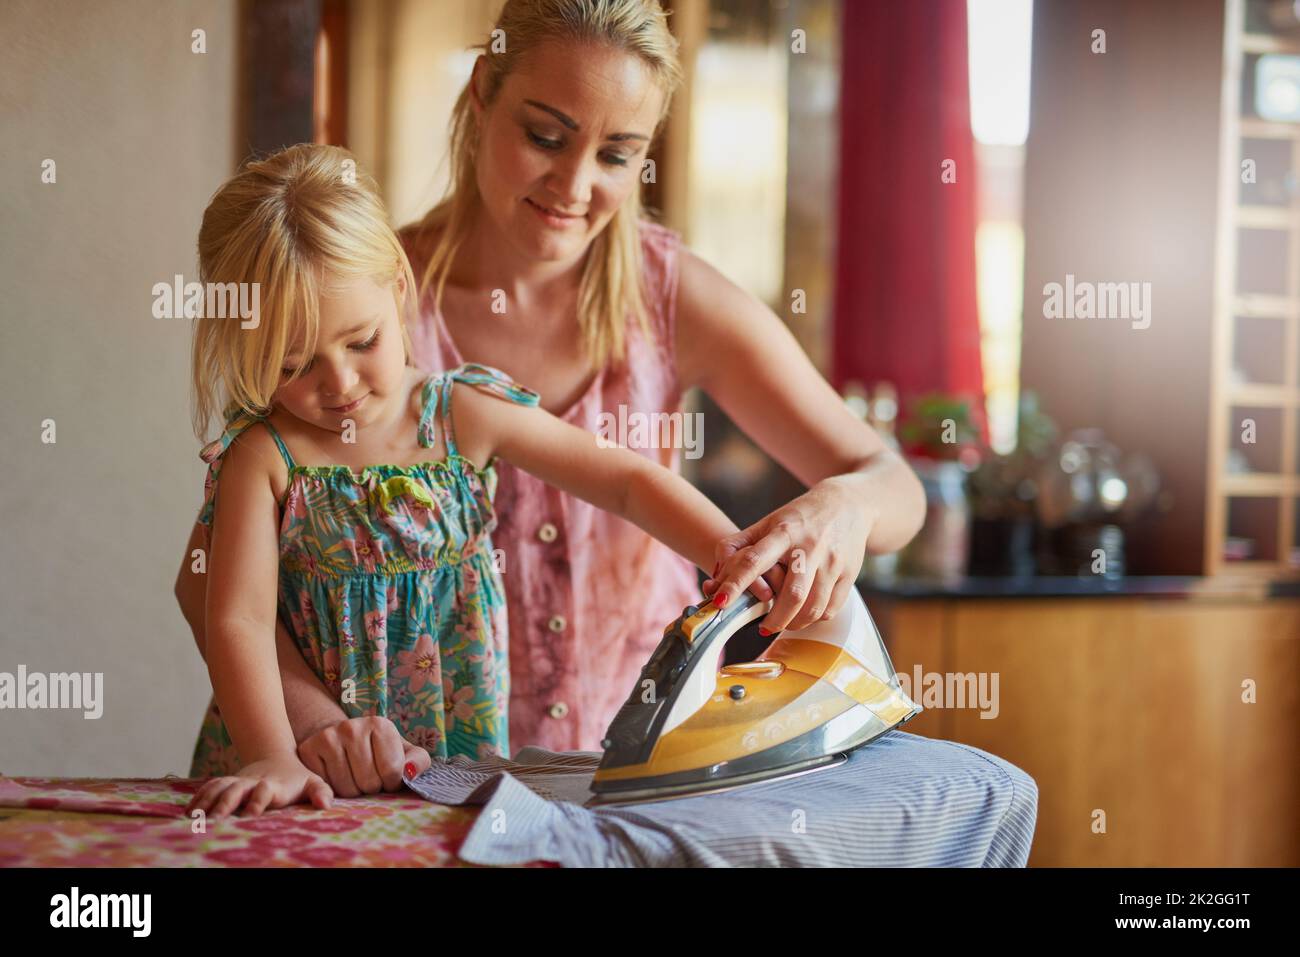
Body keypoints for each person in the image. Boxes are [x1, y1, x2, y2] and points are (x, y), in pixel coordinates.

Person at [174, 0, 924, 797]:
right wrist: (317, 728)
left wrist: (837, 508)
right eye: (545, 135)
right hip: (409, 778)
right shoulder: (355, 301)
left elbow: (891, 486)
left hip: (628, 775)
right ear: (483, 89)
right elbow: (210, 586)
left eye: (617, 154)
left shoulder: (673, 300)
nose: (573, 185)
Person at [183, 142, 762, 818]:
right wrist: (273, 754)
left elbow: (626, 481)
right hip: (300, 776)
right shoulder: (265, 456)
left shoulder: (459, 413)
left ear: (398, 289)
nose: (338, 384)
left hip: (448, 767)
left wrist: (732, 551)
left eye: (362, 341)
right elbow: (237, 617)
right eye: (292, 364)